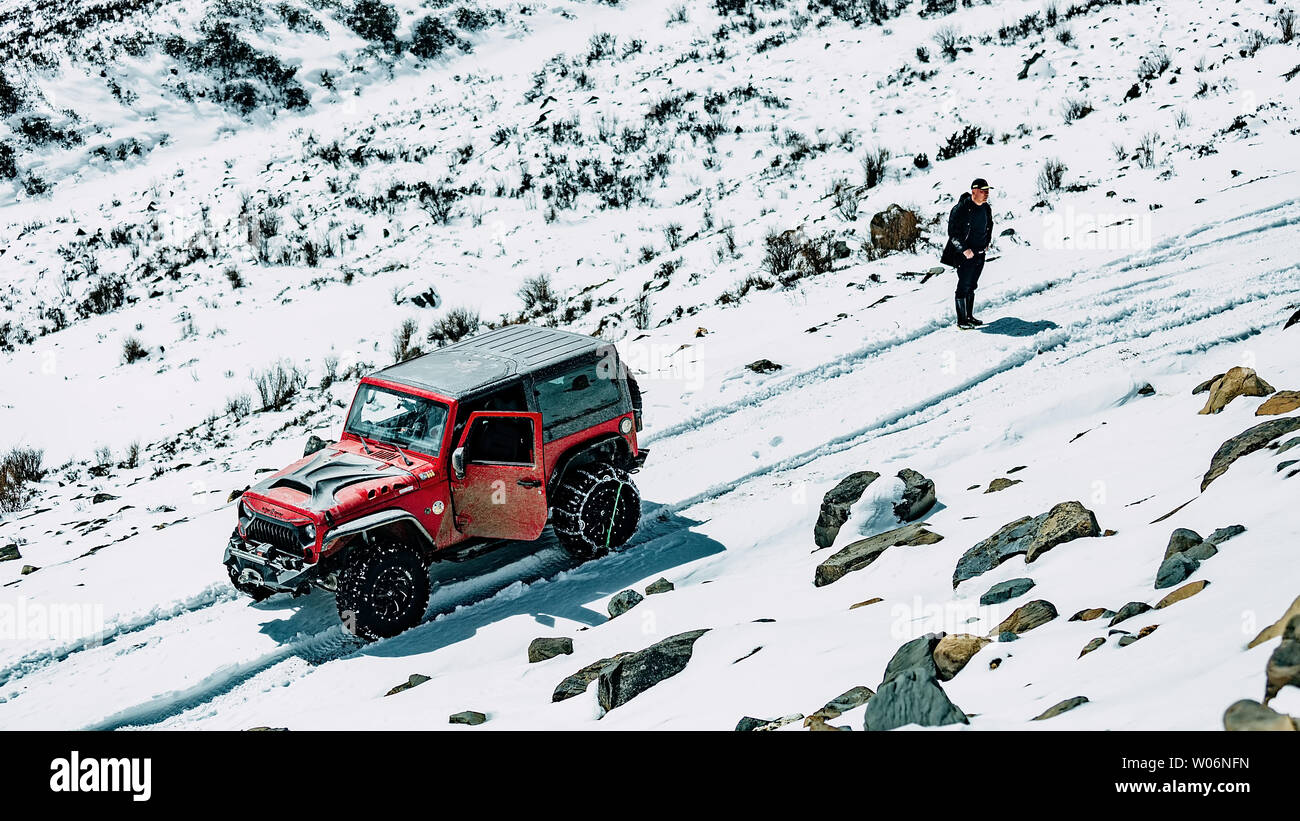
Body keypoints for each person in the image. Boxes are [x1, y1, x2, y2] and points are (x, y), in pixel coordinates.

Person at [941, 178, 994, 329]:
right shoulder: (961, 209)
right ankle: (961, 321)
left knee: (972, 285)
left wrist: (987, 243)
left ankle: (969, 317)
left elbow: (989, 225)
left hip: (980, 253)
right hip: (965, 255)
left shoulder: (986, 208)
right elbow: (953, 234)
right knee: (963, 286)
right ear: (974, 191)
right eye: (983, 191)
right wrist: (965, 250)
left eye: (987, 191)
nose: (986, 194)